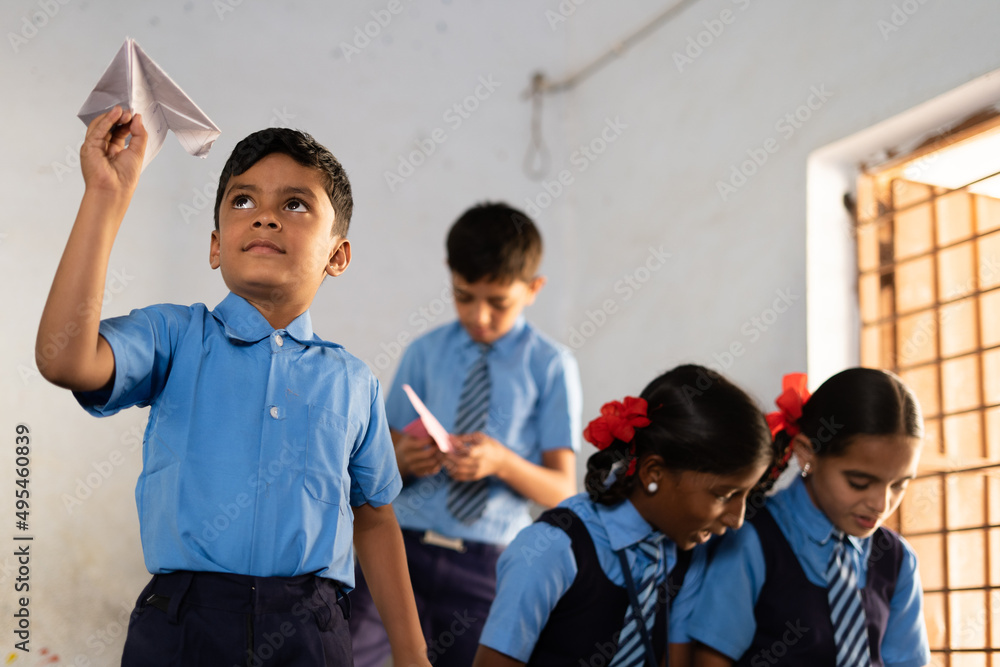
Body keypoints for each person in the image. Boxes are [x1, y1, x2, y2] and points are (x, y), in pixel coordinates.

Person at [35, 107, 430, 666]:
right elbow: (64, 359)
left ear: (337, 255)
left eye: (295, 204)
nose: (265, 218)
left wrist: (413, 657)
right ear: (216, 245)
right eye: (244, 201)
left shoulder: (352, 380)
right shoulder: (174, 336)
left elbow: (374, 516)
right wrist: (105, 195)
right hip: (183, 624)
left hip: (311, 632)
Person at [349, 202, 583, 667]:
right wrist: (405, 459)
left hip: (489, 566)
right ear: (450, 275)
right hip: (402, 549)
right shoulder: (424, 352)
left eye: (498, 303)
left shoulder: (551, 367)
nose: (479, 315)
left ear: (534, 289)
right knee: (350, 656)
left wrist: (503, 463)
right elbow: (376, 467)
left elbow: (562, 491)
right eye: (463, 296)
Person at [473, 364, 773, 667]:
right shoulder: (551, 548)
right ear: (653, 473)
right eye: (724, 495)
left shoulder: (684, 555)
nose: (737, 519)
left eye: (748, 495)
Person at [689, 369, 930, 667]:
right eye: (859, 482)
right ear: (806, 454)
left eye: (899, 485)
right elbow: (711, 659)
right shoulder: (752, 540)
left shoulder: (897, 560)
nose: (881, 504)